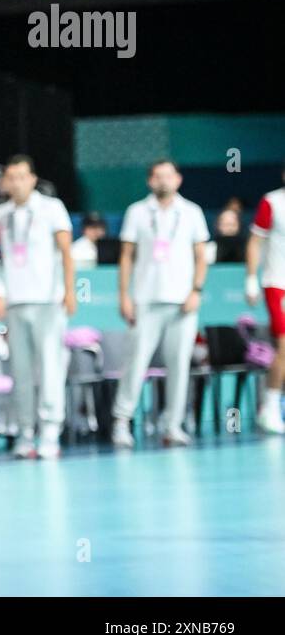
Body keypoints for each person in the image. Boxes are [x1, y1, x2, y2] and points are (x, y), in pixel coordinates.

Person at [112, 160, 209, 449]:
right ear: (150, 181)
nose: (163, 181)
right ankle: (121, 421)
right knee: (136, 362)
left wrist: (196, 290)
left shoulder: (191, 212)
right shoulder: (137, 212)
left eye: (169, 175)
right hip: (145, 299)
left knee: (179, 364)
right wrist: (124, 296)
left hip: (182, 301)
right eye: (157, 176)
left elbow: (201, 255)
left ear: (178, 179)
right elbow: (127, 255)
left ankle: (173, 425)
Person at [0, 156, 75, 460]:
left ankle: (50, 432)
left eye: (22, 177)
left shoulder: (52, 208)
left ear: (33, 179)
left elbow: (66, 251)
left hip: (48, 301)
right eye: (11, 177)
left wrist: (69, 291)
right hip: (15, 302)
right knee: (20, 372)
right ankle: (26, 433)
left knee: (51, 368)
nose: (16, 183)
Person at [246, 168, 285, 434]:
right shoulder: (272, 202)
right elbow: (255, 242)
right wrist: (251, 278)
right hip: (278, 283)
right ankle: (269, 408)